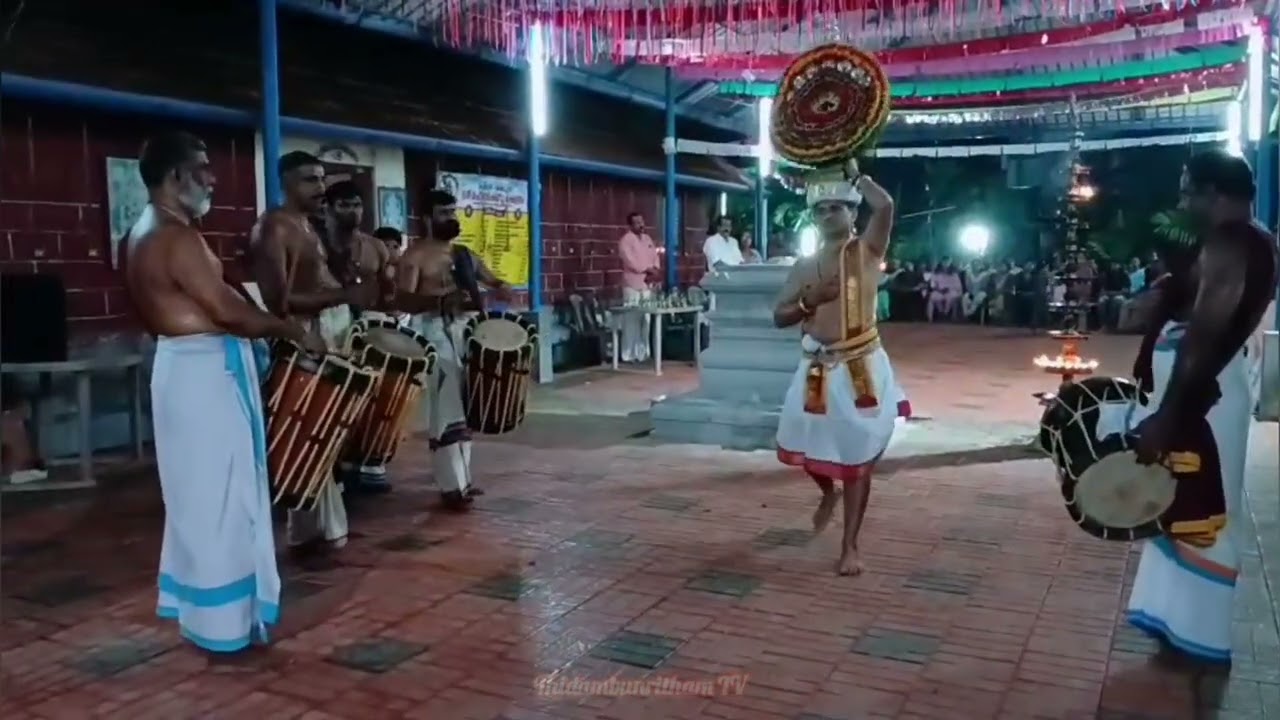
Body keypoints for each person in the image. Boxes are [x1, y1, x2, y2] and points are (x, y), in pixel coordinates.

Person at [124, 131, 323, 653]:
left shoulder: (144, 230)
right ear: (174, 177)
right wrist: (291, 330)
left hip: (181, 369)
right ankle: (226, 628)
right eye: (203, 168)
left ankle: (207, 617)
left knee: (197, 498)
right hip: (204, 376)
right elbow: (226, 310)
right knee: (222, 497)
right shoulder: (176, 237)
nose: (214, 177)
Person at [1127, 150, 1277, 664]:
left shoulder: (1235, 244)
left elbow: (1204, 339)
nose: (1181, 200)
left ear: (1214, 194)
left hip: (1204, 397)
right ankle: (1175, 625)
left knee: (1207, 511)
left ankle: (1202, 638)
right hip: (1200, 394)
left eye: (1188, 189)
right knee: (1179, 503)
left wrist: (1169, 417)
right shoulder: (1235, 241)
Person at [774, 158, 910, 576]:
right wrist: (811, 299)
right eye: (819, 208)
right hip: (816, 367)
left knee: (857, 455)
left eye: (836, 207)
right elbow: (779, 316)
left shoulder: (867, 249)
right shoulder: (803, 265)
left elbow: (884, 206)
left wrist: (856, 175)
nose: (826, 213)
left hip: (860, 367)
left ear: (852, 213)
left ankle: (850, 546)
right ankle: (826, 493)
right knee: (807, 444)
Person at [250, 151, 377, 556]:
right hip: (304, 338)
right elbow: (277, 302)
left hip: (328, 330)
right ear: (286, 182)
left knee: (326, 430)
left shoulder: (309, 224)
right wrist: (341, 295)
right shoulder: (274, 228)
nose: (320, 188)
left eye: (322, 179)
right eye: (310, 180)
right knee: (313, 431)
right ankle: (321, 530)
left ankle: (312, 530)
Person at [394, 189, 511, 511]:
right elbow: (402, 300)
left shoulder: (464, 253)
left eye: (452, 211)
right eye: (443, 213)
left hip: (464, 332)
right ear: (427, 218)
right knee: (447, 410)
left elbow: (491, 280)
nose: (451, 218)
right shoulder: (414, 257)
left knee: (466, 408)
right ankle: (451, 485)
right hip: (434, 333)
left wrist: (502, 287)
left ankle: (464, 480)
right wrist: (440, 301)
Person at [323, 181, 398, 493]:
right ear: (328, 208)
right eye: (344, 205)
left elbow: (388, 291)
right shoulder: (316, 242)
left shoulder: (375, 247)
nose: (352, 212)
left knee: (366, 400)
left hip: (365, 328)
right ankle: (331, 470)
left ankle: (364, 463)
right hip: (327, 324)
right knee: (331, 401)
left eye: (356, 205)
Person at [617, 211, 661, 363]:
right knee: (631, 320)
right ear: (630, 225)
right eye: (636, 222)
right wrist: (646, 269)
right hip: (632, 284)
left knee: (646, 319)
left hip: (647, 284)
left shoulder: (647, 239)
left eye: (641, 222)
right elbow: (631, 262)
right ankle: (628, 354)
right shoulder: (625, 241)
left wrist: (654, 269)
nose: (640, 225)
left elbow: (655, 257)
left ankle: (643, 353)